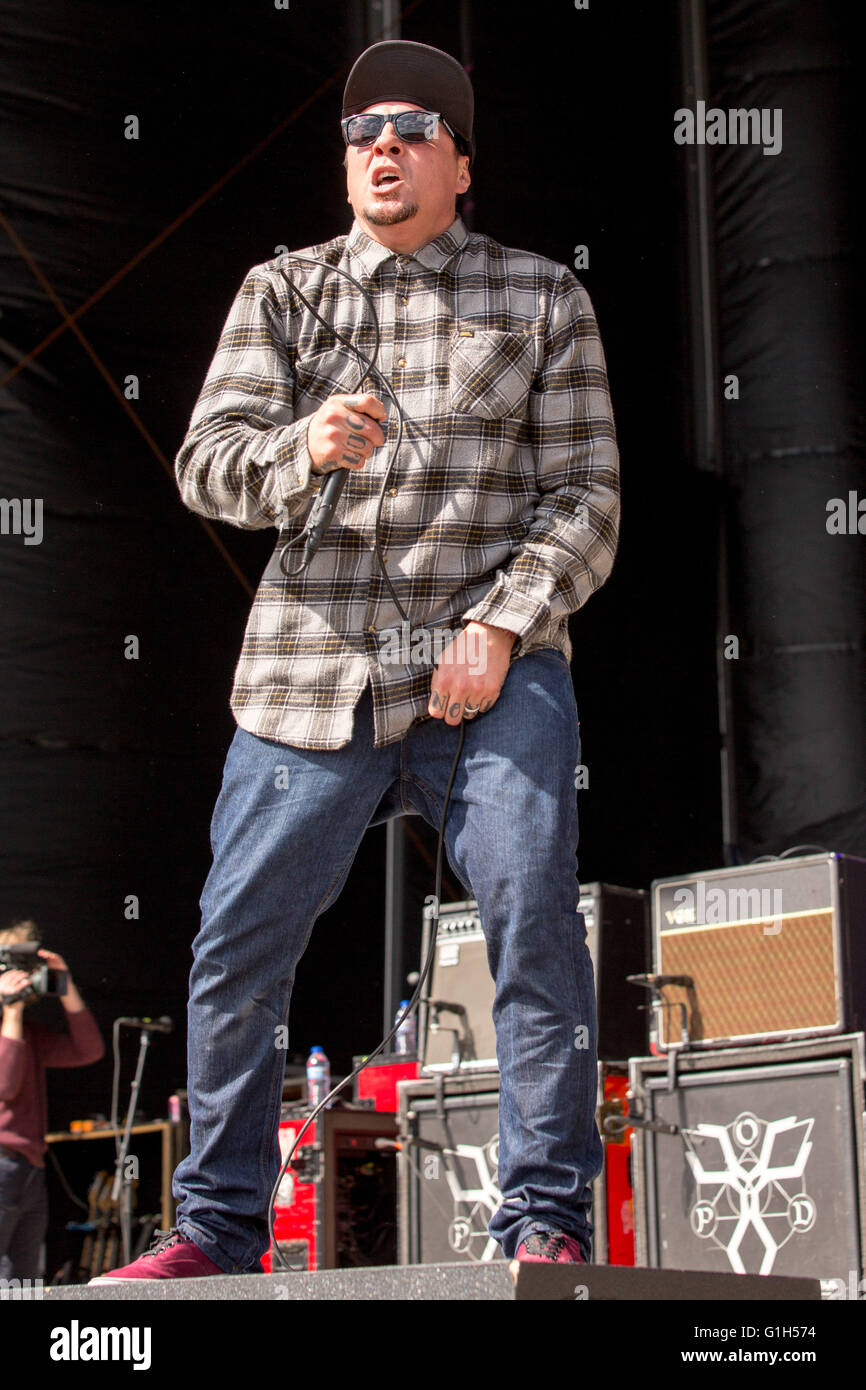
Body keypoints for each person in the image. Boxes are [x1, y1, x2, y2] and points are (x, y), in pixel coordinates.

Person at [95, 38, 620, 1283]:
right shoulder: (280, 293)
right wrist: (300, 448)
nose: (379, 144)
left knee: (534, 931)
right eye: (360, 130)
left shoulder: (543, 297)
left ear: (460, 163)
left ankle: (542, 1219)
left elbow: (587, 496)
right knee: (237, 950)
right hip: (308, 672)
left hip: (486, 669)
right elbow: (203, 465)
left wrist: (501, 625)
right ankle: (216, 1234)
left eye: (410, 127)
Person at [0, 920, 104, 1281]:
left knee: (24, 1278)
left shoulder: (30, 1035)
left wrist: (65, 985)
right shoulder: (12, 1030)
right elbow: (5, 1085)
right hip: (3, 1162)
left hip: (29, 1168)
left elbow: (88, 1050)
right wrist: (10, 1011)